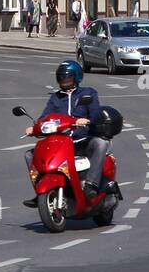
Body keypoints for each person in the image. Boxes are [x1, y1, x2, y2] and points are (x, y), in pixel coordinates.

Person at [22, 60, 111, 207]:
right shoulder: (56, 97)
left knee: (100, 143)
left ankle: (91, 185)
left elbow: (95, 114)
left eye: (67, 77)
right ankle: (40, 192)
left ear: (77, 77)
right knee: (30, 154)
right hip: (60, 143)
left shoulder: (88, 93)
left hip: (81, 140)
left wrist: (86, 121)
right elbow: (45, 117)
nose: (64, 80)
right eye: (61, 77)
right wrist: (35, 127)